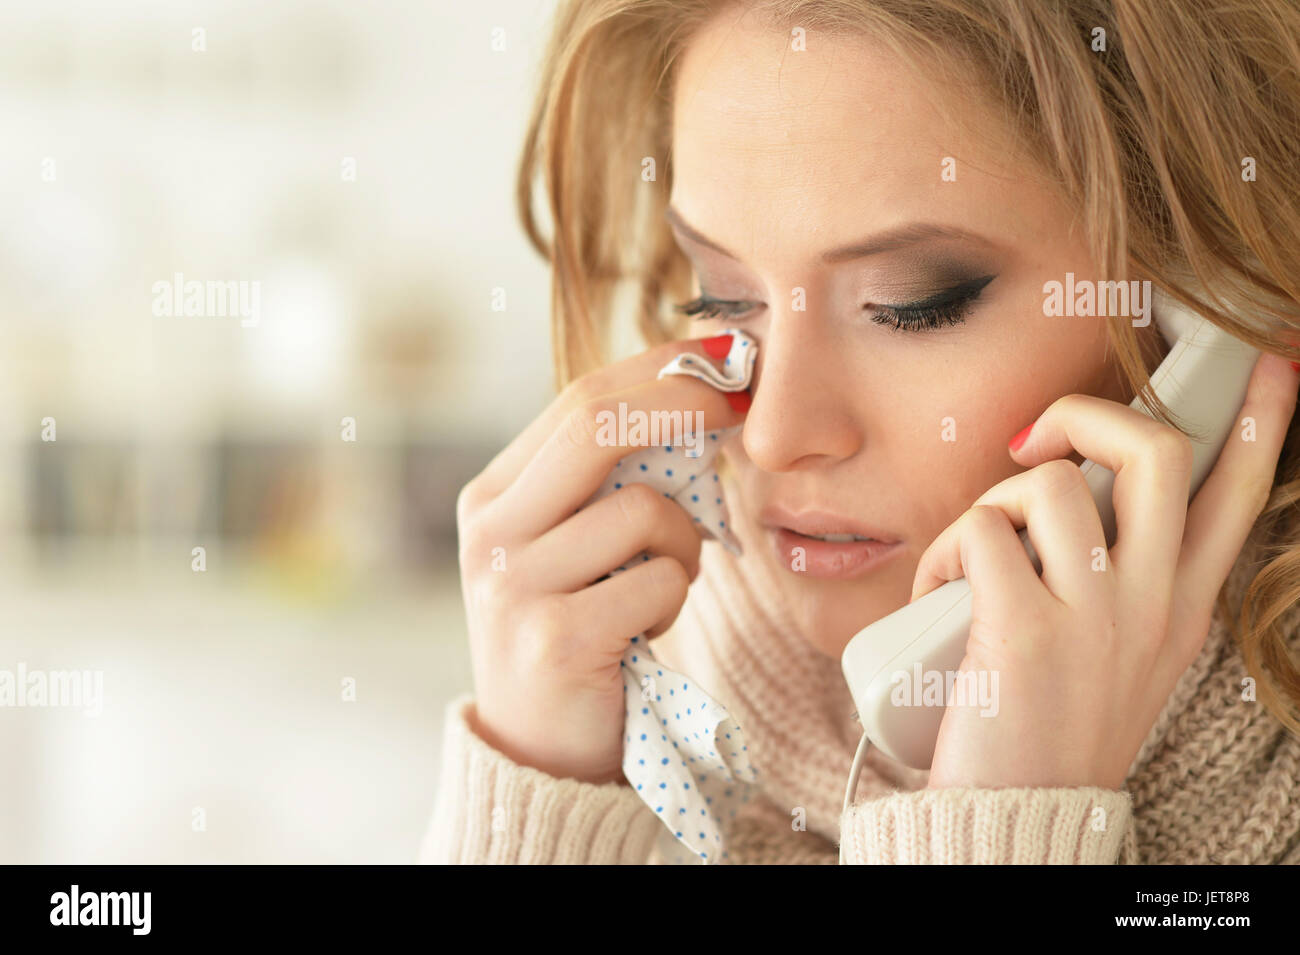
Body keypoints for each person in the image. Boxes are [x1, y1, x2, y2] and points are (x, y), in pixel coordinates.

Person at [422, 0, 1300, 863]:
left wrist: (997, 832)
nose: (771, 436)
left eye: (911, 305)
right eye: (722, 296)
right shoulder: (664, 696)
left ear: (1210, 306)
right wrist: (534, 804)